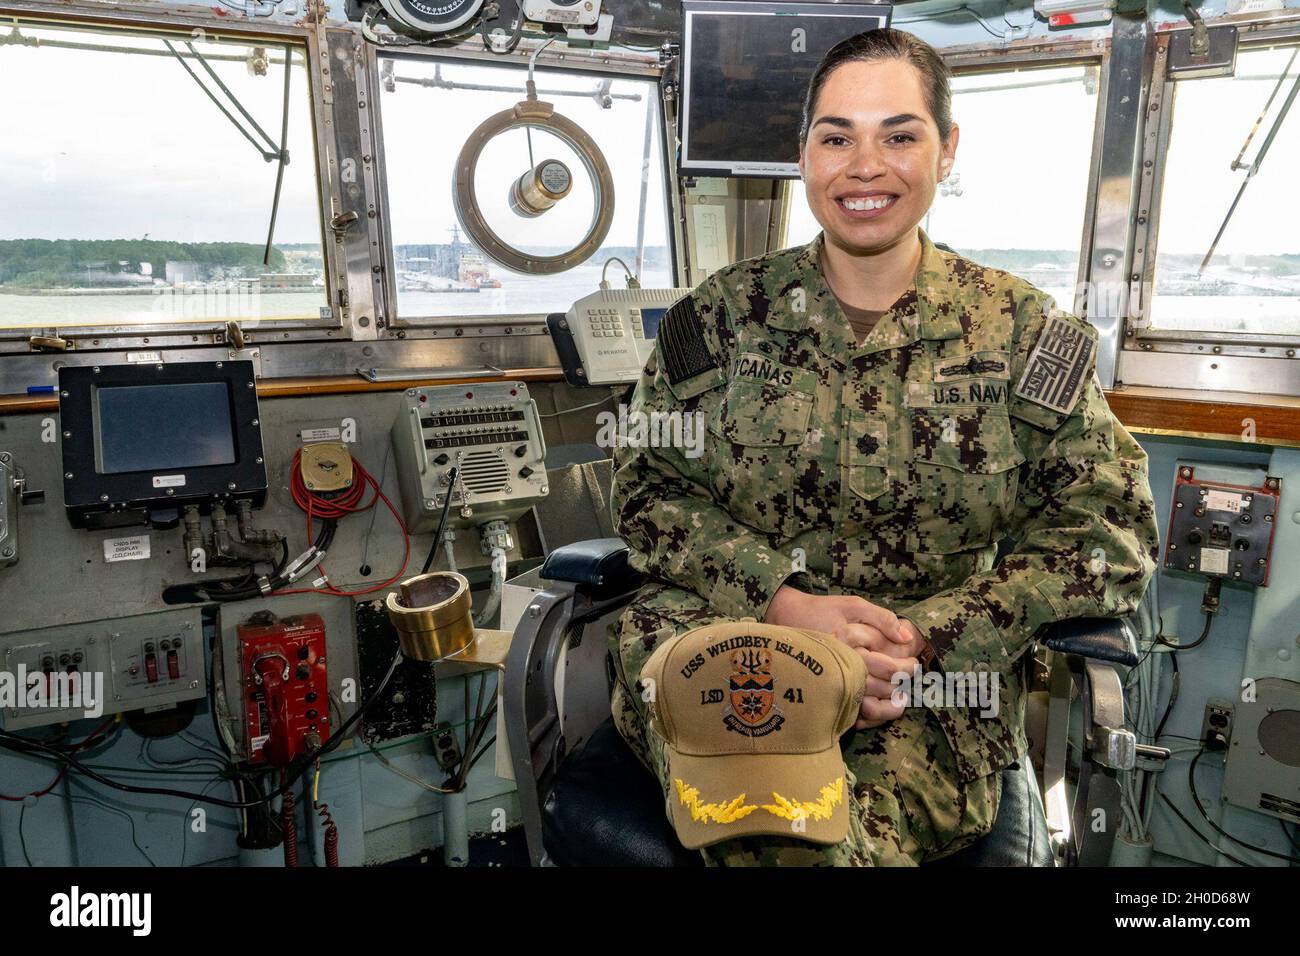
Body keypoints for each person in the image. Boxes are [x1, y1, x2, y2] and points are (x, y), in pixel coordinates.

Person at [608, 28, 1160, 866]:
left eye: (899, 135)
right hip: (733, 644)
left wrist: (927, 637)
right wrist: (782, 599)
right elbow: (646, 491)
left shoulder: (1021, 332)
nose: (865, 166)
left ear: (946, 152)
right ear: (805, 155)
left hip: (929, 685)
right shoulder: (716, 320)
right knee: (764, 828)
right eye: (838, 137)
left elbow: (1109, 532)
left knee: (831, 850)